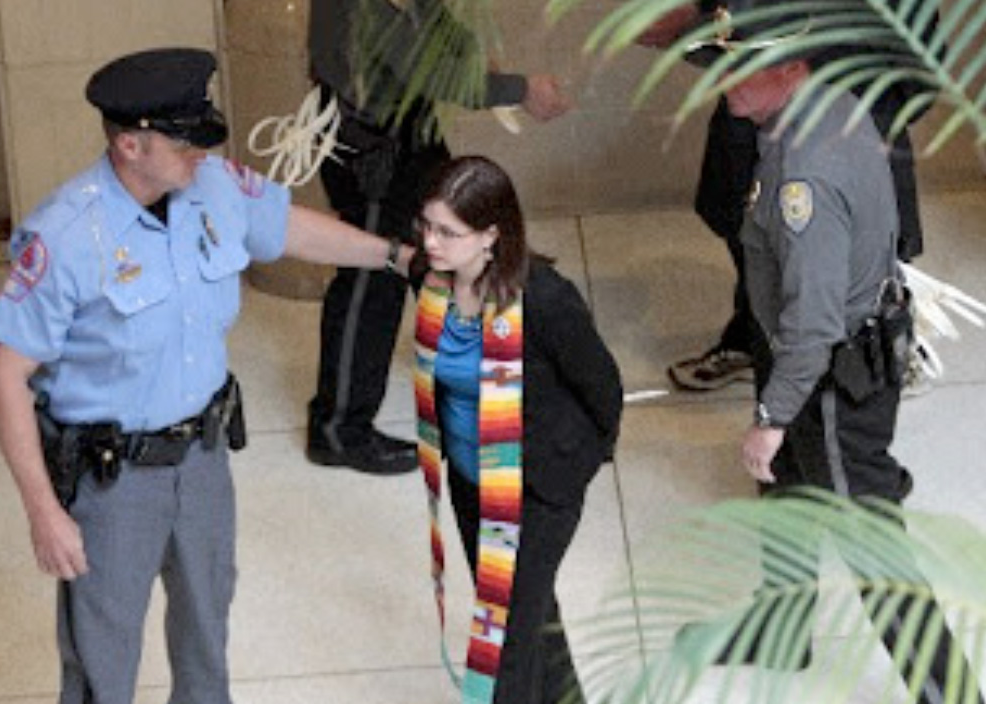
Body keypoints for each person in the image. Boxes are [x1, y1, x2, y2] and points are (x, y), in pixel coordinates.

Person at [0, 47, 414, 704]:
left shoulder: (211, 185)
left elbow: (288, 226)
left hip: (204, 460)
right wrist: (44, 511)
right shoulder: (67, 235)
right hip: (111, 480)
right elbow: (4, 374)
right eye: (184, 142)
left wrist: (396, 256)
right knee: (104, 657)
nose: (201, 153)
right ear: (130, 144)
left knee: (207, 631)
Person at [705, 5, 983, 700]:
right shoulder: (822, 108)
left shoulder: (807, 177)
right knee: (785, 495)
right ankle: (783, 629)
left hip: (829, 379)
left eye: (744, 66)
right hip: (807, 357)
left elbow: (817, 321)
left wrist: (771, 417)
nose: (724, 79)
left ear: (792, 68)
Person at [306, 0, 571, 475]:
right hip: (369, 148)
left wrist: (469, 52)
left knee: (451, 248)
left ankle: (485, 384)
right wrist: (519, 89)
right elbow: (430, 71)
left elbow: (430, 17)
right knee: (371, 283)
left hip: (406, 130)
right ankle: (338, 430)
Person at [640, 0, 936, 392]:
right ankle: (754, 338)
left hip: (848, 118)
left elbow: (920, 63)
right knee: (751, 234)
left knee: (852, 259)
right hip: (758, 112)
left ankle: (885, 352)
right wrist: (697, 18)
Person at [411, 156, 623, 703]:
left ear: (491, 235)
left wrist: (573, 464)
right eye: (426, 226)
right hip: (469, 481)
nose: (430, 243)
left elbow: (603, 387)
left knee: (505, 635)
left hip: (537, 490)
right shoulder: (432, 280)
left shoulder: (545, 298)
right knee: (526, 609)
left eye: (447, 232)